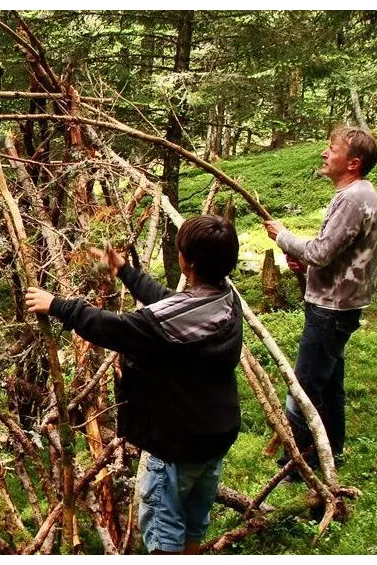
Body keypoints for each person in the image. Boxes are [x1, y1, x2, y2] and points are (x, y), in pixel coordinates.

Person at [25, 215, 242, 555]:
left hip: (178, 444)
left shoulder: (180, 314)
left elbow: (115, 328)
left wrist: (58, 305)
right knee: (194, 521)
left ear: (188, 263)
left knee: (163, 529)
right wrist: (125, 271)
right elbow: (168, 303)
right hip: (216, 434)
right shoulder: (225, 298)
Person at [264, 126, 377, 477]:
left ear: (353, 163)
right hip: (336, 304)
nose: (324, 154)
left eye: (332, 149)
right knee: (329, 387)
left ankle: (297, 467)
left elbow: (322, 251)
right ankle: (331, 453)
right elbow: (331, 251)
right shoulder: (355, 194)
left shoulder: (353, 198)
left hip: (332, 309)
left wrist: (284, 237)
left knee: (303, 389)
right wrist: (306, 259)